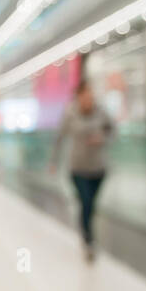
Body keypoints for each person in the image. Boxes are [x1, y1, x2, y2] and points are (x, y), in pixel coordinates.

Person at [50, 80, 114, 261]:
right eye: (85, 96)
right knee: (85, 202)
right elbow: (59, 137)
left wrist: (102, 138)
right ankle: (88, 240)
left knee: (91, 204)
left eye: (91, 96)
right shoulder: (70, 113)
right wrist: (54, 160)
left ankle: (88, 235)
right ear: (78, 97)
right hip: (78, 168)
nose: (89, 100)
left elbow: (112, 131)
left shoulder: (101, 112)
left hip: (99, 168)